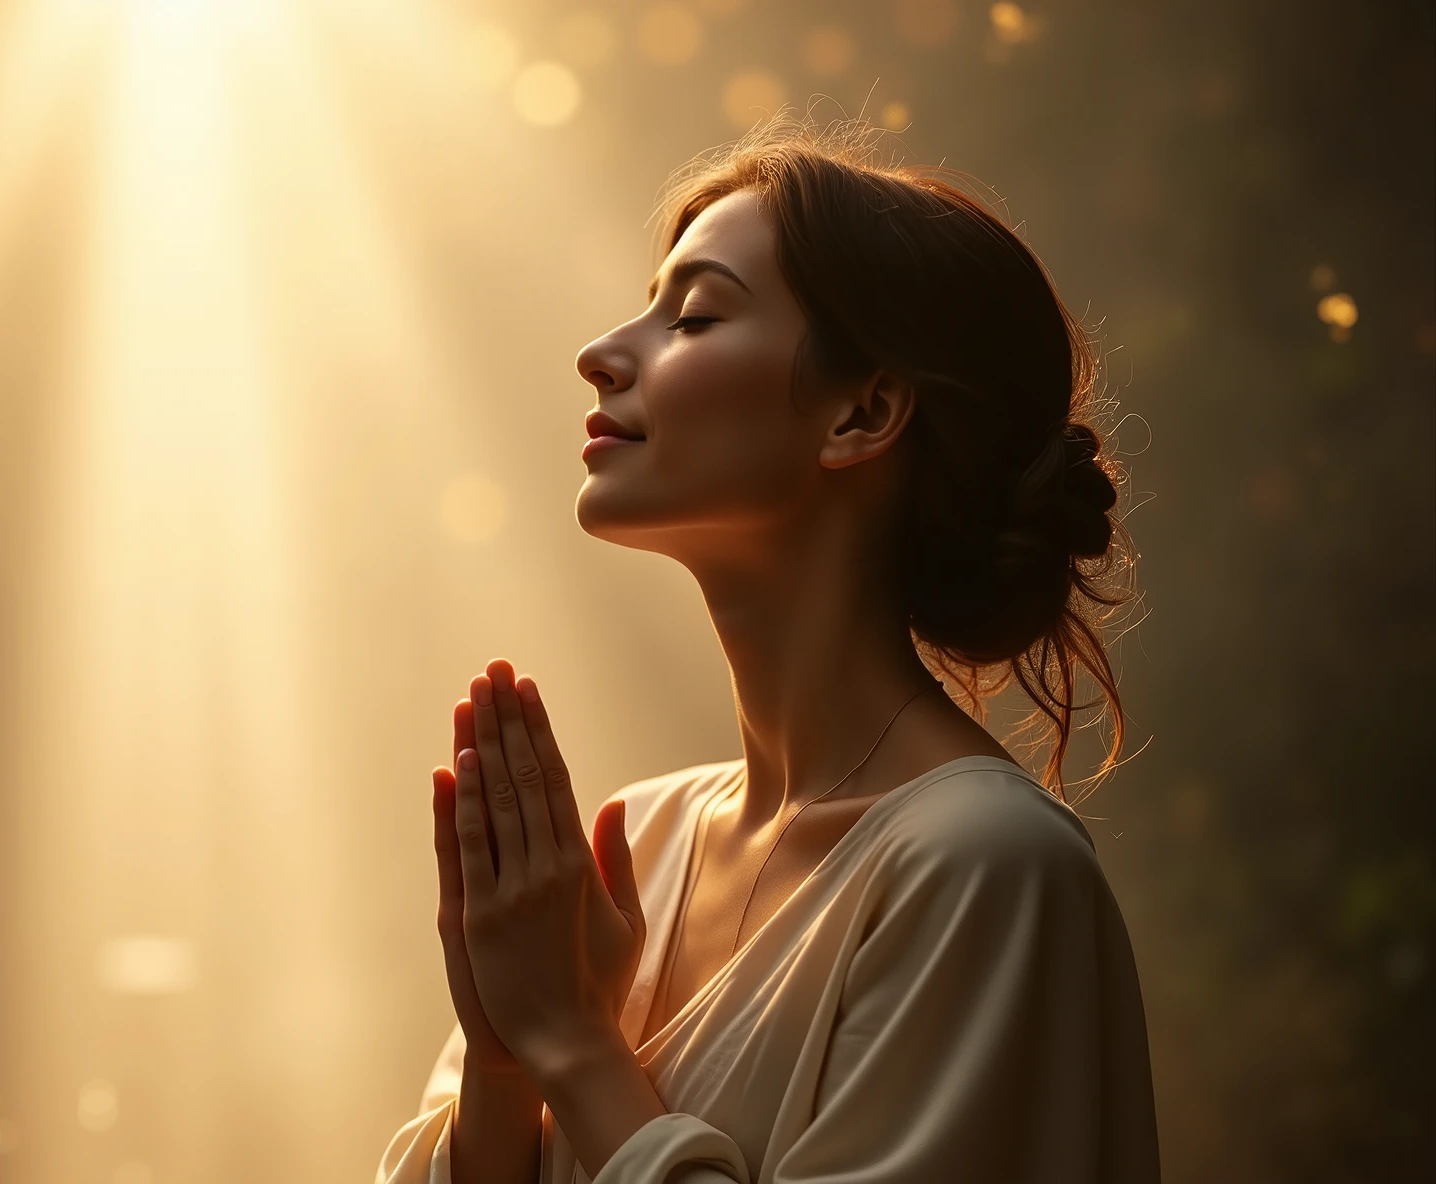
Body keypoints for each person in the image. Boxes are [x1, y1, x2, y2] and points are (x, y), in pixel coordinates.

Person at [376, 119, 1160, 1184]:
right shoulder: (630, 845)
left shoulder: (984, 865)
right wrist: (504, 1060)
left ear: (862, 411)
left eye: (694, 316)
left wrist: (572, 1040)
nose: (600, 354)